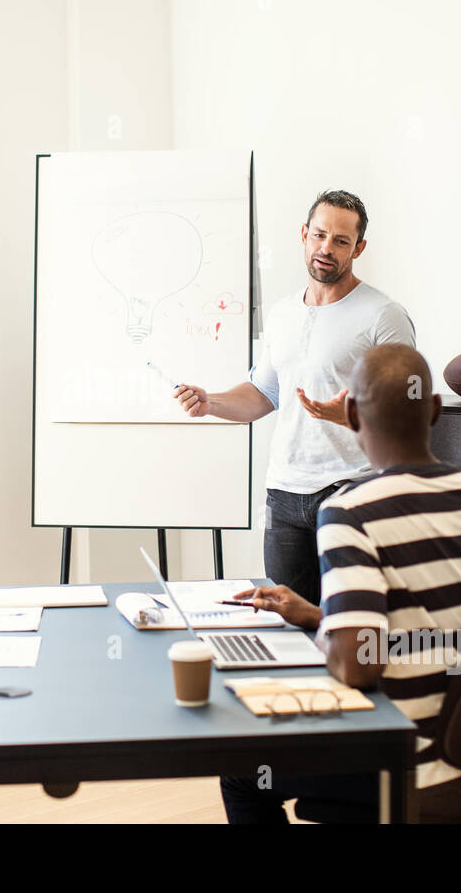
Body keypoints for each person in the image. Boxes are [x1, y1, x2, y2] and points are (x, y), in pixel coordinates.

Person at [220, 345, 461, 823]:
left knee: (241, 771)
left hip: (403, 757)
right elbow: (450, 633)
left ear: (350, 414)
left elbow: (356, 667)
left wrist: (332, 637)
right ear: (435, 410)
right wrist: (322, 615)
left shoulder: (350, 511)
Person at [174, 191, 415, 606]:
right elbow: (264, 394)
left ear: (358, 248)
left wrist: (352, 414)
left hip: (352, 490)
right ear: (304, 234)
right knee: (285, 621)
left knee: (350, 619)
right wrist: (210, 402)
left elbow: (408, 411)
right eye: (319, 235)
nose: (326, 248)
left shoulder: (383, 314)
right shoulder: (283, 313)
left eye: (341, 240)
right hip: (284, 497)